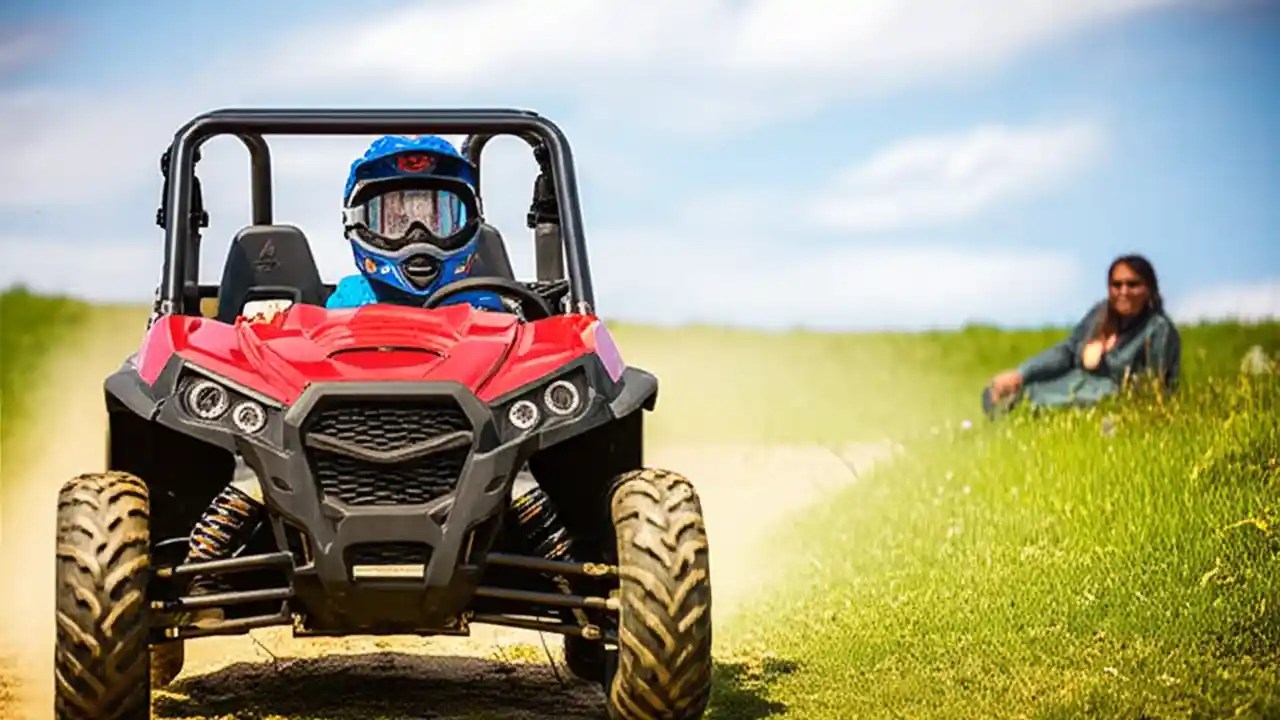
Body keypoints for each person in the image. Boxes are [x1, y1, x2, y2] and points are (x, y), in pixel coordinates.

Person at [983, 254, 1181, 417]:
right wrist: (1021, 374)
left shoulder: (1158, 329)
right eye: (1116, 285)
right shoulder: (1100, 314)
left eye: (1132, 284)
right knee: (1003, 393)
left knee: (1032, 407)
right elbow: (1067, 352)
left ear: (1149, 289)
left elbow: (1156, 390)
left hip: (1102, 404)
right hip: (1067, 388)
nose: (1124, 291)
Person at [325, 134, 506, 312]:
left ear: (471, 219)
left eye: (436, 221)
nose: (418, 237)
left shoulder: (489, 310)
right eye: (396, 222)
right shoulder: (347, 305)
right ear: (355, 220)